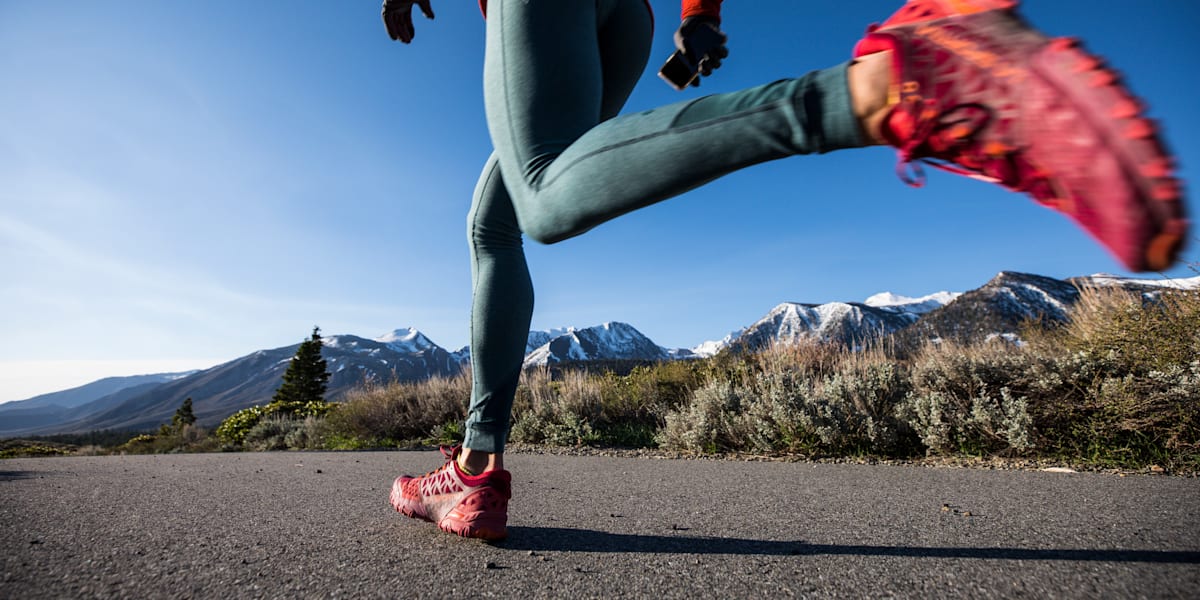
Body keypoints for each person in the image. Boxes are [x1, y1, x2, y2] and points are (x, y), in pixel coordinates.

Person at [382, 0, 1188, 541]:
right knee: (495, 222)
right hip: (624, 17)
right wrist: (700, 14)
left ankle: (886, 87)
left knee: (545, 198)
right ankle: (475, 467)